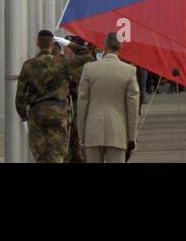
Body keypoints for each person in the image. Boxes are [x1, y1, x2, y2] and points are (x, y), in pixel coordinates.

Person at [76, 32, 140, 164]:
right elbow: (132, 108)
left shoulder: (89, 69)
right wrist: (131, 138)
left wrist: (81, 134)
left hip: (92, 129)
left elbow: (82, 102)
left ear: (104, 46)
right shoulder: (129, 71)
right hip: (118, 131)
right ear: (121, 47)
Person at [15, 29, 72, 164]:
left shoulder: (28, 65)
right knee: (57, 154)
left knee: (40, 156)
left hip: (37, 113)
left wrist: (24, 118)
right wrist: (68, 43)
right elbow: (85, 55)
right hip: (59, 111)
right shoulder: (62, 63)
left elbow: (20, 97)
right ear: (52, 43)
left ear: (37, 43)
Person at [64, 36, 96, 163]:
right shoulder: (71, 65)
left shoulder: (86, 66)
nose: (66, 53)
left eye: (68, 50)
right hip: (71, 110)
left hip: (80, 109)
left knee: (79, 147)